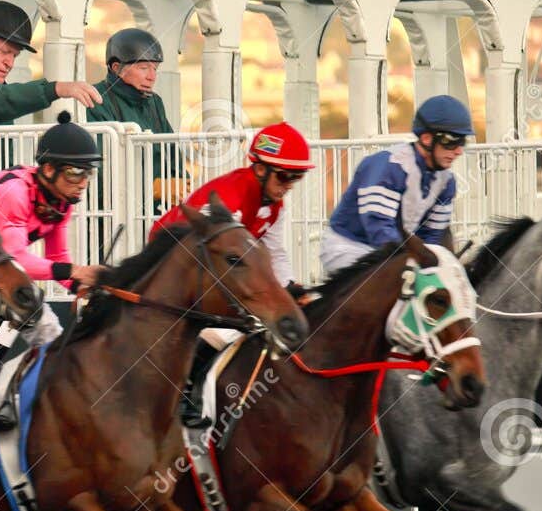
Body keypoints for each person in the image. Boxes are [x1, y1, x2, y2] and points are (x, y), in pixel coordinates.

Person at [151, 122, 314, 427]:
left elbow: (275, 253)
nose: (288, 185)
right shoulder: (232, 198)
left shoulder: (275, 206)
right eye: (284, 176)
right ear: (260, 168)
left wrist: (290, 288)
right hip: (176, 264)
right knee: (236, 320)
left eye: (297, 177)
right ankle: (187, 391)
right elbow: (190, 247)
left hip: (221, 268)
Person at [0, 112, 106, 430]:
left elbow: (57, 256)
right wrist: (75, 271)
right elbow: (17, 259)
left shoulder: (61, 202)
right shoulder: (16, 194)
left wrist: (78, 286)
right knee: (20, 302)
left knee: (47, 327)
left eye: (88, 172)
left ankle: (46, 391)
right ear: (48, 169)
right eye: (76, 172)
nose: (83, 181)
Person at [321, 93, 470, 277]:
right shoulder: (388, 167)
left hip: (391, 254)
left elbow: (433, 236)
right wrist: (416, 261)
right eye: (451, 141)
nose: (458, 151)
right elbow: (379, 229)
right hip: (348, 248)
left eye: (462, 142)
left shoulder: (447, 182)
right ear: (426, 138)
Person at [86, 28, 173, 134]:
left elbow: (172, 147)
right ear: (116, 68)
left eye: (155, 68)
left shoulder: (155, 101)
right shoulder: (95, 99)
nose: (152, 77)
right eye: (143, 68)